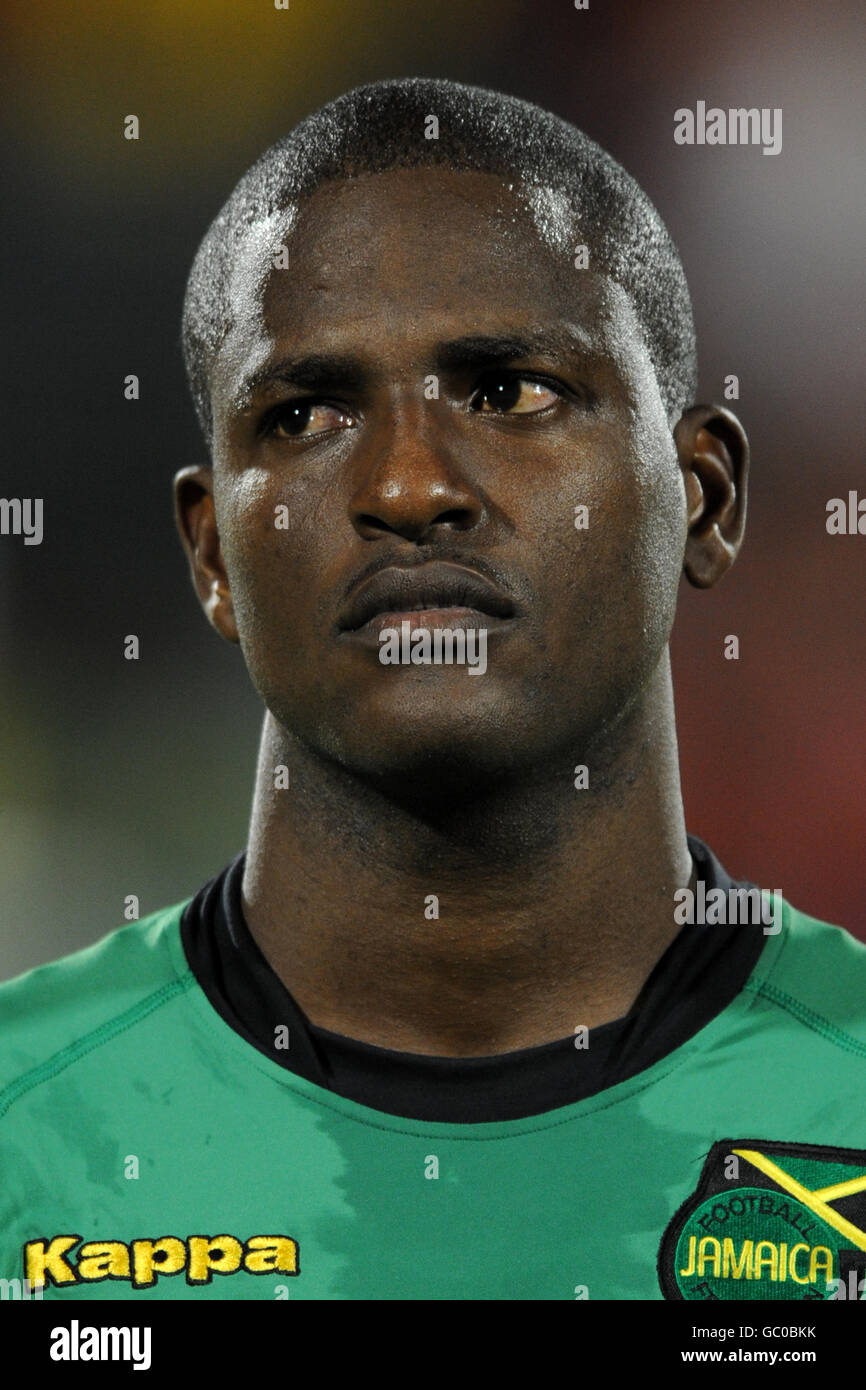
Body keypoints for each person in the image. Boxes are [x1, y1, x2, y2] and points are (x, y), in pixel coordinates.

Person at [2, 78, 865, 1303]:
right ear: (211, 559)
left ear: (703, 500)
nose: (408, 488)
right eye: (302, 414)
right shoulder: (22, 1135)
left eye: (508, 391)